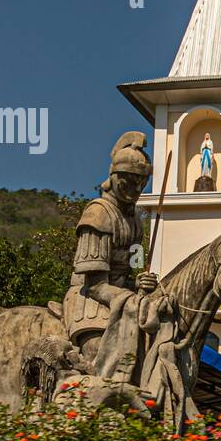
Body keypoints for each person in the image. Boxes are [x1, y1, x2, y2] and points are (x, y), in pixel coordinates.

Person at [62, 131, 158, 384]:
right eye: (129, 180)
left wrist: (142, 281)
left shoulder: (136, 220)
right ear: (114, 177)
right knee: (99, 358)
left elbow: (135, 266)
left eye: (140, 182)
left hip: (122, 297)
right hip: (90, 299)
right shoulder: (98, 214)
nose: (135, 188)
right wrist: (128, 297)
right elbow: (95, 284)